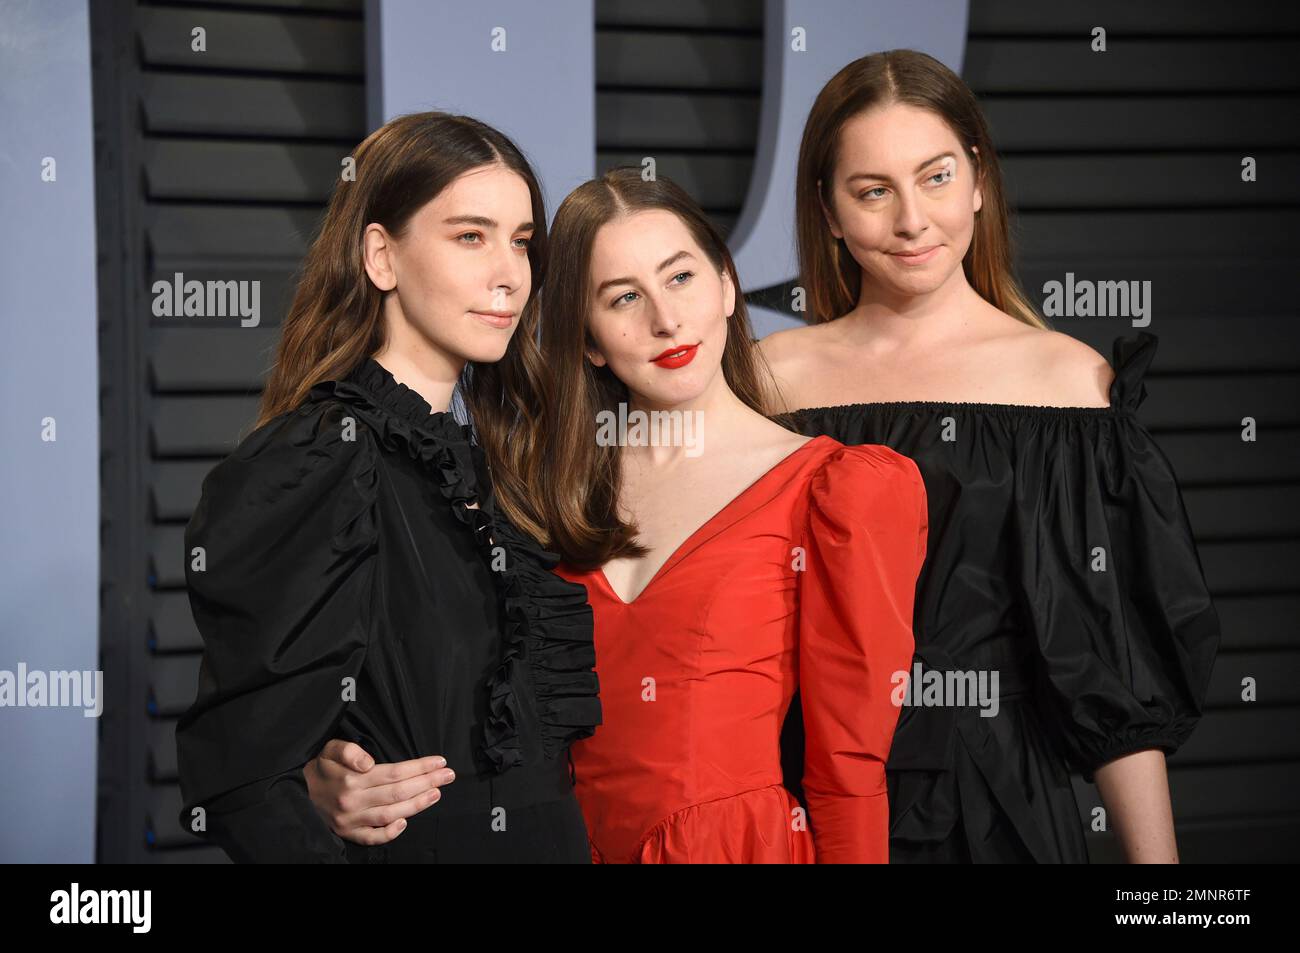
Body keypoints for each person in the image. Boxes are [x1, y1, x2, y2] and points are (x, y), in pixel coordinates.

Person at [760, 49, 1221, 863]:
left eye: (936, 178)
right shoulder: (766, 383)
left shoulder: (1071, 385)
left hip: (1001, 809)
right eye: (872, 191)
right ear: (828, 212)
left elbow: (1109, 673)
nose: (912, 221)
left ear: (978, 179)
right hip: (802, 798)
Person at [175, 112, 600, 863]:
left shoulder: (504, 462)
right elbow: (243, 776)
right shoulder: (321, 457)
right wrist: (309, 780)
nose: (510, 273)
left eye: (522, 240)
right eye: (470, 236)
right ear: (381, 256)